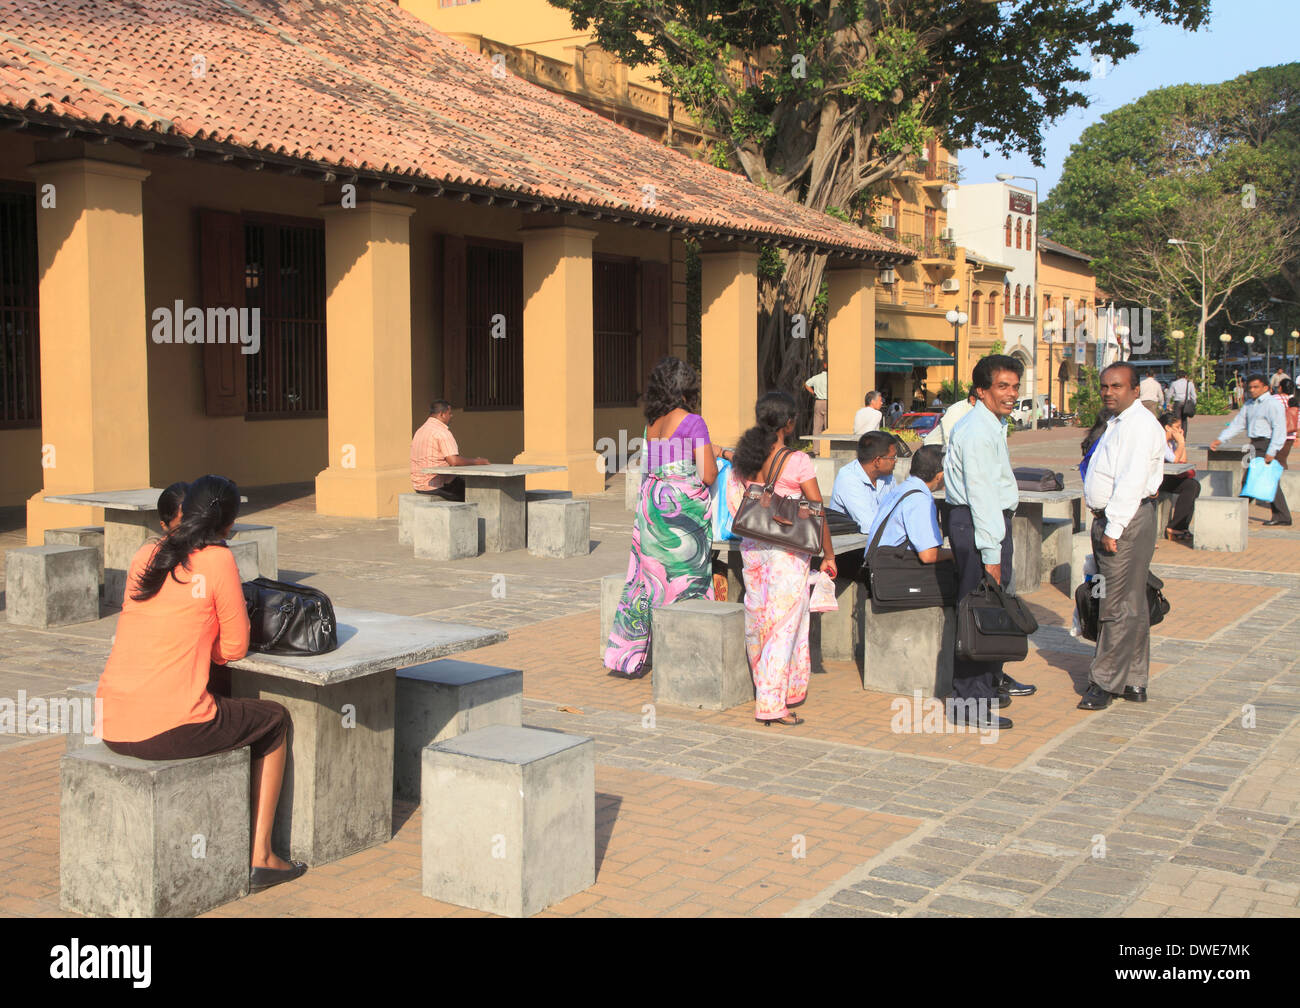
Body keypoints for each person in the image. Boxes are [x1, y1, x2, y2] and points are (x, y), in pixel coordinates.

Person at [96, 476, 306, 893]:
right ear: (230, 525)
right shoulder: (217, 560)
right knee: (274, 721)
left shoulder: (146, 554)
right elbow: (233, 648)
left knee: (219, 698)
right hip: (165, 728)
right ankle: (262, 857)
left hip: (110, 720)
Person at [606, 357, 726, 678]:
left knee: (650, 580)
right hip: (680, 513)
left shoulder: (652, 424)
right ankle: (687, 658)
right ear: (686, 386)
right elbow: (708, 475)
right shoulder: (693, 422)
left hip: (651, 507)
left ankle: (632, 654)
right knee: (686, 579)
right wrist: (716, 455)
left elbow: (656, 466)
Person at [727, 391, 836, 726]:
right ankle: (773, 704)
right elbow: (817, 512)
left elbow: (735, 502)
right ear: (789, 423)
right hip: (788, 552)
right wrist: (828, 554)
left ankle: (769, 686)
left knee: (759, 620)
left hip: (752, 548)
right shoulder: (798, 461)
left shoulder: (745, 456)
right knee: (784, 625)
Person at [943, 354, 1035, 731]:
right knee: (979, 614)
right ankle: (969, 703)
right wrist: (992, 554)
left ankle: (985, 687)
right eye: (1002, 386)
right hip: (979, 525)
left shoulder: (990, 424)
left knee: (990, 611)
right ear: (982, 391)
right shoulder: (978, 431)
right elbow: (981, 495)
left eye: (1015, 387)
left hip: (984, 523)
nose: (1011, 394)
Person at [1079, 363, 1167, 710]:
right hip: (1115, 519)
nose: (1108, 392)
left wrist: (1113, 528)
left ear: (1135, 391)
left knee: (1114, 604)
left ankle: (1104, 681)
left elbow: (1131, 481)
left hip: (1124, 522)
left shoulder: (1139, 427)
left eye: (1116, 386)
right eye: (1104, 386)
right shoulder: (1119, 422)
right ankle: (1133, 679)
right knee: (1131, 601)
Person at [1211, 372, 1291, 526]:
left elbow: (1279, 429)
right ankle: (1281, 516)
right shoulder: (1249, 404)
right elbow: (1238, 424)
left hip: (1267, 444)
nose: (1252, 390)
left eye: (1256, 387)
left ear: (1266, 387)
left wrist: (1272, 451)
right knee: (1262, 480)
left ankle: (1238, 514)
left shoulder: (1272, 404)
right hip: (1255, 444)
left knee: (1252, 479)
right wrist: (1221, 439)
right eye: (1250, 387)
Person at [865, 445, 950, 564]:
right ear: (940, 476)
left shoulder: (902, 489)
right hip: (896, 571)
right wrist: (956, 554)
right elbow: (928, 555)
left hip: (880, 564)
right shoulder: (920, 499)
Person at [410, 400, 489, 501]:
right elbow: (454, 461)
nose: (451, 416)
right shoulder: (441, 432)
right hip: (437, 486)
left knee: (461, 482)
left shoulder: (420, 431)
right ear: (442, 414)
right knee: (479, 494)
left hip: (418, 485)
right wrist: (478, 462)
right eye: (450, 413)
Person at [829, 431, 896, 534]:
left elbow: (898, 510)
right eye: (892, 458)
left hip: (882, 538)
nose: (896, 461)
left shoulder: (887, 475)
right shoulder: (848, 478)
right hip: (853, 544)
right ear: (877, 461)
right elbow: (869, 525)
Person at [1158, 412, 1201, 542]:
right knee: (1190, 486)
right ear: (1168, 428)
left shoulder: (1172, 442)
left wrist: (1181, 443)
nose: (1180, 430)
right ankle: (1174, 526)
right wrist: (1181, 443)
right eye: (1177, 427)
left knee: (1193, 485)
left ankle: (1182, 525)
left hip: (1167, 476)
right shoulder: (1160, 440)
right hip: (1156, 479)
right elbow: (1174, 460)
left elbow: (1183, 461)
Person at [1273, 378, 1295, 468]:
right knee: (1282, 460)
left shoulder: (1274, 399)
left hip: (1276, 435)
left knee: (1272, 461)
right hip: (1290, 436)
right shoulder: (1294, 401)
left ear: (1280, 388)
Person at [804, 365, 828, 441]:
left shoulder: (816, 377)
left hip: (818, 402)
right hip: (828, 403)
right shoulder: (831, 378)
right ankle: (827, 448)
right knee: (828, 427)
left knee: (817, 427)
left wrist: (813, 393)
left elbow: (807, 384)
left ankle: (816, 450)